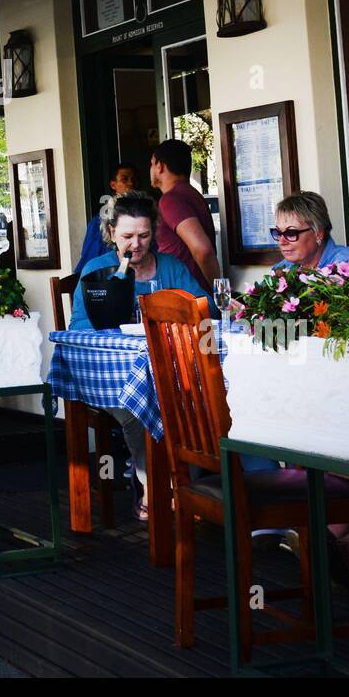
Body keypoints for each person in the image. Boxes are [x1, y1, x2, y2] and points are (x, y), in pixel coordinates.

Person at [70, 193, 210, 521]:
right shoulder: (98, 270)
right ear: (111, 233)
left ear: (154, 232)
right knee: (137, 410)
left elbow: (204, 311)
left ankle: (187, 487)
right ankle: (153, 485)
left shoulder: (171, 267)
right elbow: (80, 328)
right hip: (112, 376)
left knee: (197, 403)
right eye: (127, 236)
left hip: (169, 371)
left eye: (144, 235)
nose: (136, 245)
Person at [150, 139, 220, 291]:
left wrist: (217, 291)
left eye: (151, 164)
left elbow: (203, 249)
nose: (151, 169)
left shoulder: (171, 199)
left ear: (159, 166)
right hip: (194, 291)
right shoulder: (193, 194)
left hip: (186, 294)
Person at [73, 162, 139, 275]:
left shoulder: (146, 219)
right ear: (113, 185)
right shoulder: (98, 223)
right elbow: (88, 264)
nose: (131, 183)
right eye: (125, 179)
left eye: (134, 179)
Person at [270, 191, 349, 272]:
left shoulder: (346, 263)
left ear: (318, 234)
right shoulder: (282, 269)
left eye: (291, 233)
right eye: (278, 233)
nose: (281, 242)